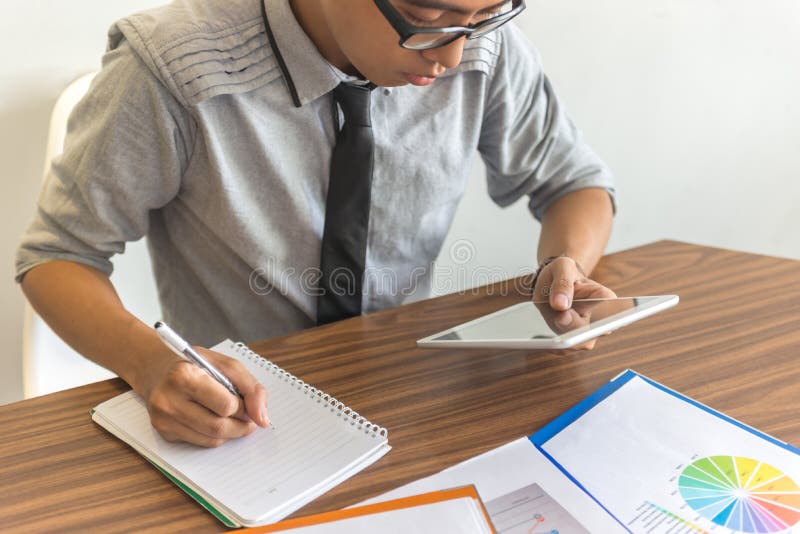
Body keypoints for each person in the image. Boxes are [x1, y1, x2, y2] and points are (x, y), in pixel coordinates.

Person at [15, 0, 616, 447]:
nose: (453, 55)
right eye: (426, 16)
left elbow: (574, 183)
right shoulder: (171, 70)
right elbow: (57, 257)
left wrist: (563, 266)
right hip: (237, 413)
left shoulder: (480, 44)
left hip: (407, 392)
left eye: (484, 15)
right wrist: (148, 364)